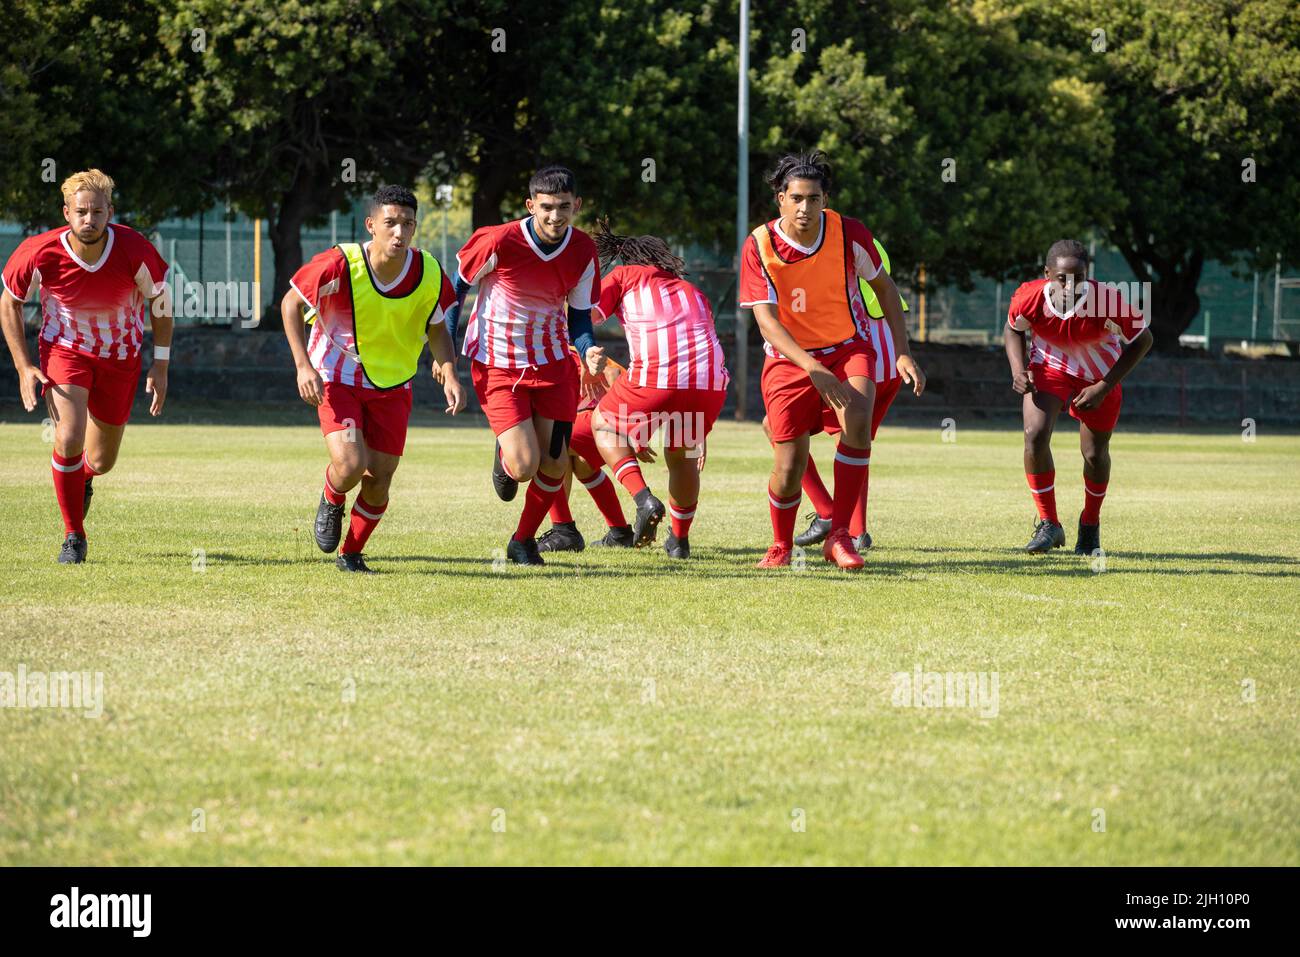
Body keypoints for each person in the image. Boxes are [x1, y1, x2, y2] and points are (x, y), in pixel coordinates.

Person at [739, 151, 924, 569]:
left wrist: (903, 353)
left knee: (857, 419)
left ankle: (840, 537)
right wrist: (811, 368)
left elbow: (887, 289)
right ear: (780, 199)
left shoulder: (849, 232)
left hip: (847, 348)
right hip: (789, 361)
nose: (806, 208)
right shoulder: (759, 244)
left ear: (825, 199)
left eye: (815, 199)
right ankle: (781, 546)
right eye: (797, 198)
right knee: (788, 465)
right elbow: (767, 324)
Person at [282, 184, 464, 573]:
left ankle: (351, 554)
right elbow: (291, 303)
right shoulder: (340, 264)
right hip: (338, 379)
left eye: (408, 224)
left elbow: (437, 327)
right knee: (350, 464)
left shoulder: (428, 271)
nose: (399, 232)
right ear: (372, 225)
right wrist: (303, 365)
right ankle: (332, 498)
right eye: (390, 223)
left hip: (393, 384)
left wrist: (448, 369)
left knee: (380, 476)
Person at [1, 169, 172, 564]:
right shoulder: (39, 252)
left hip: (120, 358)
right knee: (68, 435)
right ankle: (73, 535)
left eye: (97, 211)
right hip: (65, 354)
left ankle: (85, 479)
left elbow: (161, 306)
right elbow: (9, 301)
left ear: (110, 211)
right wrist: (24, 366)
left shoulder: (134, 249)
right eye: (81, 211)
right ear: (66, 213)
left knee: (102, 461)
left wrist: (159, 366)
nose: (89, 220)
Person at [442, 164, 605, 566]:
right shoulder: (498, 240)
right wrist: (446, 357)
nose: (555, 216)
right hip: (498, 365)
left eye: (564, 207)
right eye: (546, 207)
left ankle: (522, 541)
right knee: (523, 466)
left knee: (555, 462)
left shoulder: (583, 250)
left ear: (577, 205)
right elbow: (455, 292)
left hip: (553, 365)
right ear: (530, 205)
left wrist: (587, 350)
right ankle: (505, 450)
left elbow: (579, 318)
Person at [588, 220, 730, 559]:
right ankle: (679, 542)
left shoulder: (624, 277)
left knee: (603, 425)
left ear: (631, 259)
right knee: (682, 457)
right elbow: (702, 346)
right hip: (707, 384)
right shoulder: (694, 292)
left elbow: (584, 316)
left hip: (658, 380)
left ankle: (643, 500)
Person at [1004, 239, 1152, 555]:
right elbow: (1013, 328)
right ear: (1047, 273)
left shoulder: (1108, 301)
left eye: (1079, 277)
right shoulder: (1030, 296)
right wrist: (1018, 369)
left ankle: (1090, 525)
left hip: (1099, 377)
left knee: (1095, 455)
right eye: (1061, 278)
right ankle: (1049, 524)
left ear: (1087, 274)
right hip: (1049, 369)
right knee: (1034, 435)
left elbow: (1143, 340)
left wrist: (1104, 386)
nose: (1070, 285)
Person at [778, 236, 924, 552]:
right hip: (887, 359)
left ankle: (837, 520)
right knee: (855, 443)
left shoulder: (831, 242)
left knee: (797, 432)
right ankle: (850, 526)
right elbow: (884, 291)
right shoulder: (862, 239)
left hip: (860, 355)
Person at [535, 347, 638, 552]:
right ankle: (620, 532)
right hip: (609, 420)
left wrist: (633, 430)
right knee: (582, 465)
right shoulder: (562, 350)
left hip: (610, 422)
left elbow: (616, 376)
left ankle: (563, 531)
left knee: (545, 449)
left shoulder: (561, 351)